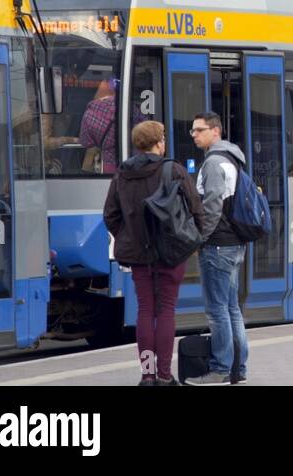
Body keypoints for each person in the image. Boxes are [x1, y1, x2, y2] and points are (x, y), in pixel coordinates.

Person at [103, 121, 203, 385]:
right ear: (159, 142)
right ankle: (164, 375)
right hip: (171, 251)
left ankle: (147, 375)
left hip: (138, 254)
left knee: (145, 310)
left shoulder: (122, 174)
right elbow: (196, 209)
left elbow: (110, 215)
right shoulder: (173, 170)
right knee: (166, 310)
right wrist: (192, 240)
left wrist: (129, 235)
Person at [186, 112, 250, 385]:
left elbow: (211, 207)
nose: (194, 135)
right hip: (234, 243)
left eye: (199, 130)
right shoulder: (233, 158)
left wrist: (199, 238)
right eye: (192, 130)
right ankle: (239, 368)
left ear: (215, 131)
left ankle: (221, 368)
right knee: (232, 308)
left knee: (217, 310)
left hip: (218, 246)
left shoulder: (214, 163)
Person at [78, 77, 118, 174]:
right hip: (131, 164)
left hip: (108, 165)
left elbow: (85, 142)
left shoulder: (90, 113)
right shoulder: (131, 109)